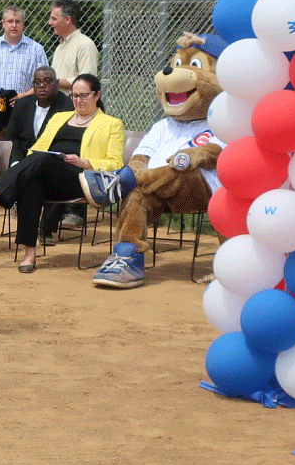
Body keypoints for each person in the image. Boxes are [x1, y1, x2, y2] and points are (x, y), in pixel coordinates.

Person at [77, 32, 229, 289]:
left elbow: (216, 152)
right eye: (177, 64)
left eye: (194, 65)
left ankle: (118, 182)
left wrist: (195, 154)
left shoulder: (224, 120)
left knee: (179, 167)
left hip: (202, 190)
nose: (174, 73)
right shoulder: (162, 126)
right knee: (137, 193)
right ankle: (128, 258)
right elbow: (140, 157)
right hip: (159, 192)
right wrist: (136, 170)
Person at [0, 74, 124, 272]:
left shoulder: (111, 124)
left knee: (43, 160)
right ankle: (30, 253)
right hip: (51, 177)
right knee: (32, 183)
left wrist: (85, 162)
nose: (78, 100)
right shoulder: (59, 118)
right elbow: (37, 149)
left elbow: (116, 163)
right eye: (74, 96)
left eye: (83, 95)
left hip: (82, 179)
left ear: (97, 95)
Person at [0, 65, 76, 240]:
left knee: (38, 176)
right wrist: (15, 163)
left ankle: (45, 229)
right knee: (19, 174)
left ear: (57, 83)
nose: (42, 85)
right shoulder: (22, 104)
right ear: (32, 85)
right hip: (22, 159)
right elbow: (13, 139)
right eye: (37, 82)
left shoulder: (67, 106)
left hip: (53, 162)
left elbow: (63, 144)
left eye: (47, 81)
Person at [0, 6, 48, 131]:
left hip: (23, 114)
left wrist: (24, 97)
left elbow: (44, 82)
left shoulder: (36, 50)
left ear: (23, 24)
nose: (14, 25)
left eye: (18, 21)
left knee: (18, 143)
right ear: (3, 23)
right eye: (10, 21)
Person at [47, 0, 99, 83]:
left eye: (54, 19)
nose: (50, 22)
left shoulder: (85, 45)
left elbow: (87, 81)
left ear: (68, 19)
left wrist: (54, 82)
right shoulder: (60, 47)